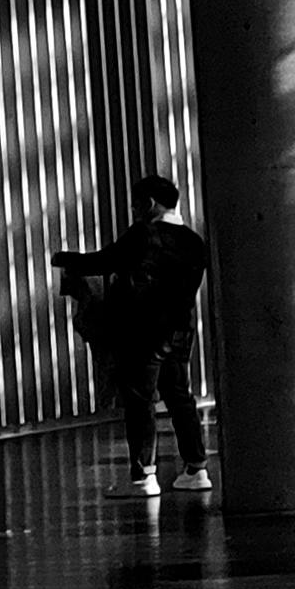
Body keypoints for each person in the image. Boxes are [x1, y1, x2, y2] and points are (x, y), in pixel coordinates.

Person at [54, 174, 213, 496]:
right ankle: (196, 469)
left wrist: (63, 259)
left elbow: (104, 261)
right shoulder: (194, 241)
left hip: (144, 332)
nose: (134, 211)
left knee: (140, 401)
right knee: (180, 397)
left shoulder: (144, 234)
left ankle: (143, 477)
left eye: (136, 205)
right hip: (180, 330)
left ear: (150, 203)